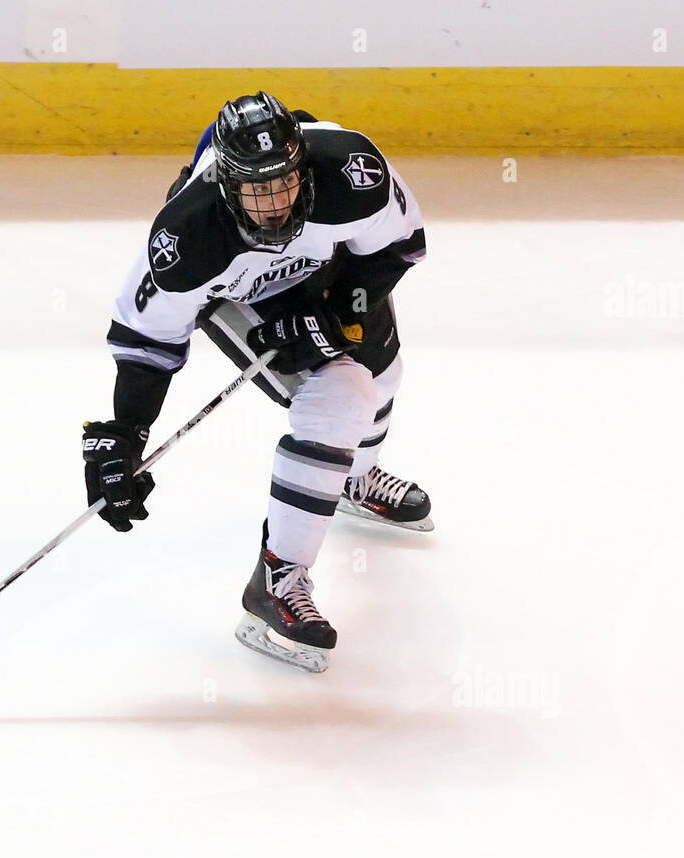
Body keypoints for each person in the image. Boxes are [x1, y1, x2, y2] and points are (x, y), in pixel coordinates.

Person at [82, 92, 430, 673]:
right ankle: (277, 580)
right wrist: (123, 435)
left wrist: (342, 310)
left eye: (285, 183)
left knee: (384, 376)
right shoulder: (187, 240)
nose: (274, 205)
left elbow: (399, 247)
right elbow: (146, 344)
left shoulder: (350, 171)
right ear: (225, 184)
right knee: (341, 397)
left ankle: (354, 478)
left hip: (331, 276)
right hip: (243, 297)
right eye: (257, 190)